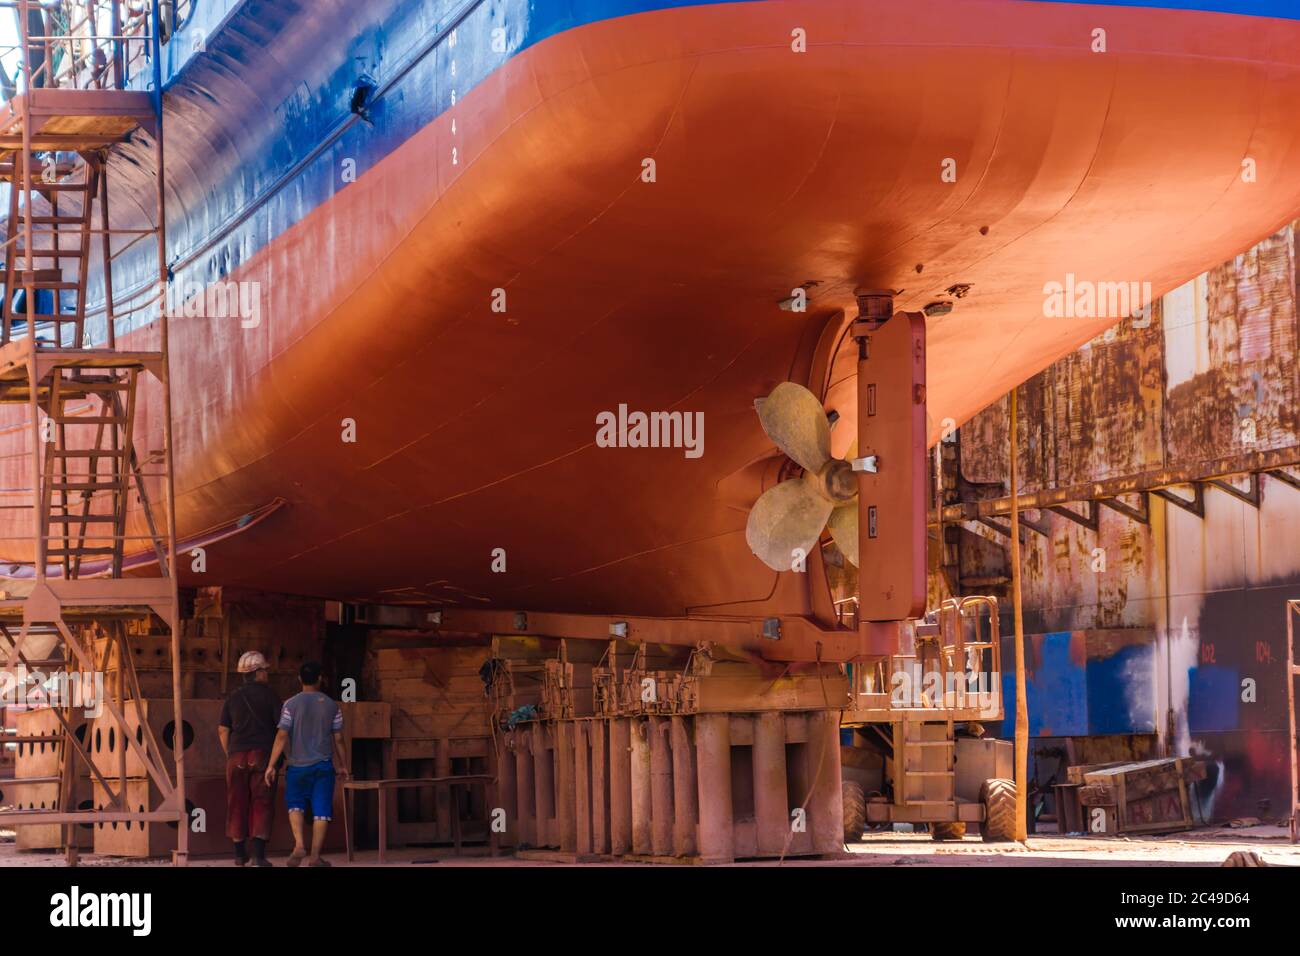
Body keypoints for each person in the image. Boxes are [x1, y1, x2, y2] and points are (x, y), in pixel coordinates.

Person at [265, 660, 348, 867]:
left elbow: (282, 736)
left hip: (296, 766)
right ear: (320, 678)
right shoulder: (332, 705)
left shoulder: (290, 704)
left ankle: (299, 844)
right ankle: (314, 856)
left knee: (295, 805)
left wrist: (270, 765)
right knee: (321, 810)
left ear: (300, 679)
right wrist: (343, 765)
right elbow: (338, 739)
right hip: (323, 766)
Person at [218, 651, 281, 867]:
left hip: (236, 757)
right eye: (264, 670)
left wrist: (230, 753)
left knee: (236, 803)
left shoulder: (232, 697)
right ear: (258, 673)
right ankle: (258, 856)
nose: (267, 674)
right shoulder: (271, 696)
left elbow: (222, 730)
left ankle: (238, 856)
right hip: (262, 755)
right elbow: (282, 730)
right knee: (261, 802)